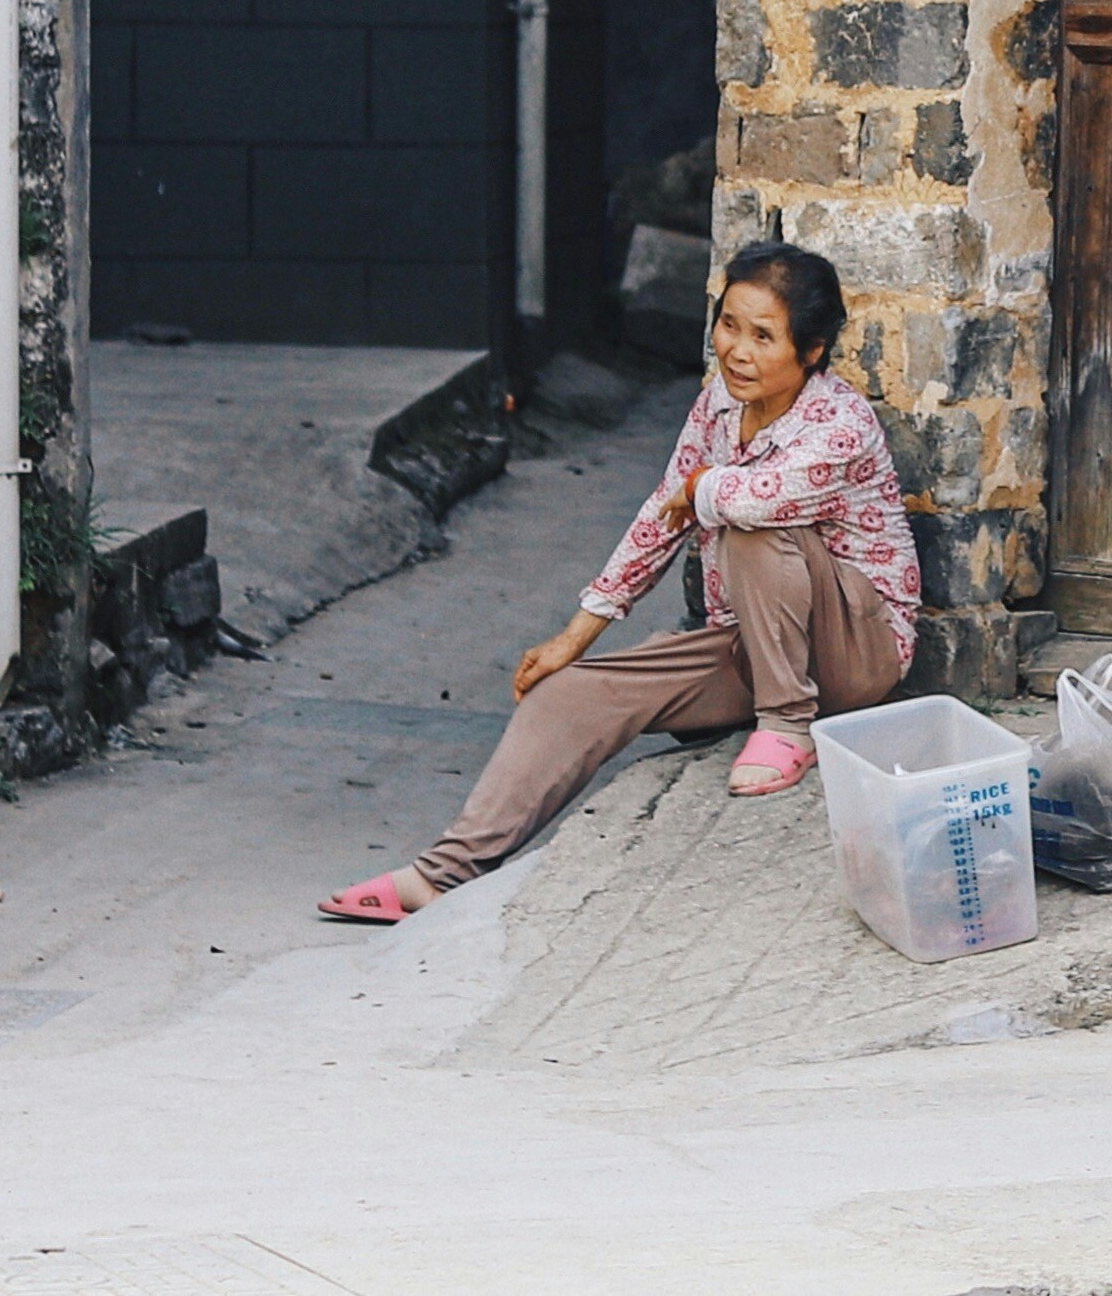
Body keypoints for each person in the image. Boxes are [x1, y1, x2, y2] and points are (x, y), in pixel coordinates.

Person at [316, 243, 919, 924]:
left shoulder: (838, 422)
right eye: (728, 325)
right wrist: (575, 636)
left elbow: (750, 501)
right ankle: (441, 873)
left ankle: (786, 726)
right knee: (566, 694)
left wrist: (701, 488)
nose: (737, 352)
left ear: (810, 353)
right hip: (755, 641)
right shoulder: (718, 404)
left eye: (763, 337)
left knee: (748, 522)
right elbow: (661, 515)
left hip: (856, 654)